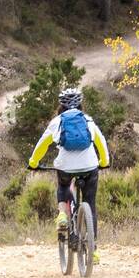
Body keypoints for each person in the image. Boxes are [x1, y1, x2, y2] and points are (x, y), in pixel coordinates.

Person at [27, 87, 109, 263]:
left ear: (61, 106)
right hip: (89, 167)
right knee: (91, 204)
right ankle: (93, 251)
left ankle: (63, 214)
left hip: (65, 167)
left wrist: (33, 162)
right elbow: (101, 143)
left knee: (63, 184)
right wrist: (104, 162)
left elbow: (42, 144)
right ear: (81, 104)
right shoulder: (88, 120)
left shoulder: (57, 121)